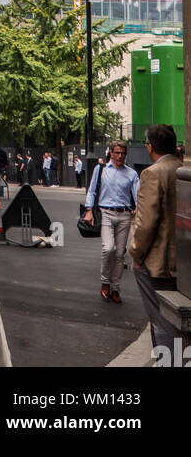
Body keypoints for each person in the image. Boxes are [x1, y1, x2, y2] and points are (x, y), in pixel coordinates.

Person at [129, 124, 182, 353]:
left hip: (156, 261)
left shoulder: (152, 173)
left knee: (161, 319)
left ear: (150, 147)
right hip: (181, 260)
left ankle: (166, 358)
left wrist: (136, 253)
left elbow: (146, 222)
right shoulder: (181, 169)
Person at [83, 140, 140, 303]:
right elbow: (92, 190)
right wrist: (89, 210)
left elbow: (138, 195)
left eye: (122, 153)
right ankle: (105, 282)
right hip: (105, 213)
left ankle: (115, 287)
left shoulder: (131, 174)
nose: (120, 156)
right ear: (111, 153)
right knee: (108, 248)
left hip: (124, 215)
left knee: (120, 253)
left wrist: (137, 206)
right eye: (117, 152)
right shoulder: (100, 170)